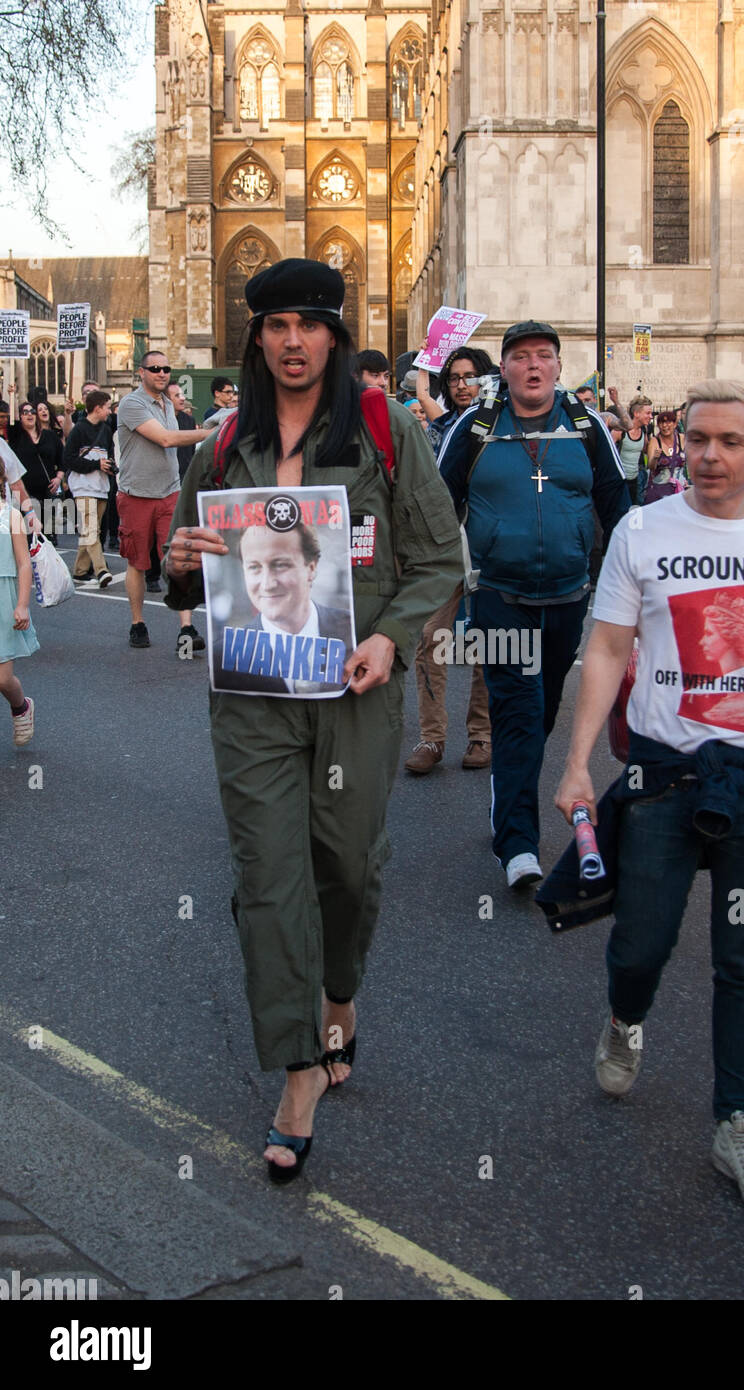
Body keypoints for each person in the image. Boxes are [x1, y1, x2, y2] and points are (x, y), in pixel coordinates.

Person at [163, 258, 464, 1181]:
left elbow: (438, 560)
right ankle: (297, 1072)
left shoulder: (384, 430)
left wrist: (391, 641)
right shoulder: (221, 446)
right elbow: (184, 571)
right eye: (276, 325)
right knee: (268, 870)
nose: (292, 340)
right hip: (252, 696)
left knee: (345, 864)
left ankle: (340, 992)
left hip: (352, 697)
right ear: (256, 338)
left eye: (310, 324)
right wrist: (180, 560)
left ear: (334, 336)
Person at [549, 378, 744, 1217]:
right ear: (680, 443)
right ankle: (624, 1018)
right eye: (697, 439)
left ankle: (736, 1125)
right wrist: (574, 768)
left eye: (730, 442)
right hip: (663, 776)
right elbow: (604, 650)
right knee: (640, 943)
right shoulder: (642, 528)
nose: (710, 455)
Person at [438, 319, 628, 887]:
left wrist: (638, 584)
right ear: (507, 368)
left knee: (542, 711)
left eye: (543, 356)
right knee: (518, 710)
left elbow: (619, 502)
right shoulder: (476, 427)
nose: (533, 365)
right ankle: (519, 846)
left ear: (558, 367)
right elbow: (437, 502)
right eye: (521, 357)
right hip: (499, 595)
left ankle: (507, 802)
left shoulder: (586, 426)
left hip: (568, 595)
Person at [405, 344, 495, 775]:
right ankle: (432, 738)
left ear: (486, 379)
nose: (462, 385)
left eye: (469, 376)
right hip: (442, 549)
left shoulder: (502, 423)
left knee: (486, 642)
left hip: (489, 550)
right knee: (430, 638)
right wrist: (429, 355)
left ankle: (481, 735)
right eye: (454, 378)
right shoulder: (442, 427)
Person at [116, 352, 216, 651]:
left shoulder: (166, 404)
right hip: (137, 494)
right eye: (155, 368)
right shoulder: (131, 404)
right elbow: (166, 439)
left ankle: (186, 628)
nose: (161, 373)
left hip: (169, 492)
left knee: (179, 559)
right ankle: (138, 624)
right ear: (141, 372)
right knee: (137, 562)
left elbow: (174, 436)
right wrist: (213, 433)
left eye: (166, 369)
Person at [212, 519, 355, 695]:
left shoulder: (353, 632)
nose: (267, 584)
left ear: (311, 568)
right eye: (254, 567)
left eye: (280, 565)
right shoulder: (224, 656)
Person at [0, 448, 39, 746]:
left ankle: (20, 706)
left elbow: (24, 563)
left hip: (4, 602)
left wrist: (23, 604)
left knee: (2, 679)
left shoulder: (10, 515)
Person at [63, 389, 115, 588]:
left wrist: (110, 466)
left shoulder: (106, 429)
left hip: (101, 486)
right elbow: (68, 460)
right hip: (83, 486)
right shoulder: (78, 430)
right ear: (97, 408)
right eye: (108, 407)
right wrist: (96, 465)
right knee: (91, 529)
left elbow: (108, 455)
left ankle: (80, 571)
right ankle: (101, 569)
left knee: (91, 529)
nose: (110, 411)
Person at [10, 401, 65, 545]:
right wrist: (12, 396)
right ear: (20, 417)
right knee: (29, 535)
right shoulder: (17, 437)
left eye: (33, 412)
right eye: (25, 412)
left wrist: (59, 477)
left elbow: (63, 458)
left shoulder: (49, 436)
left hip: (48, 491)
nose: (30, 415)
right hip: (25, 493)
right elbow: (11, 421)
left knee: (48, 537)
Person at [642, 408, 687, 502]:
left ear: (675, 424)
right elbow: (651, 466)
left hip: (679, 490)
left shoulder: (682, 438)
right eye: (662, 423)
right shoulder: (655, 442)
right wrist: (655, 458)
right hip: (659, 491)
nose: (665, 426)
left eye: (668, 422)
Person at [618, 396, 652, 505]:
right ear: (637, 413)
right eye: (648, 413)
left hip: (635, 479)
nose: (651, 416)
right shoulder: (621, 430)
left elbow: (646, 450)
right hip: (620, 481)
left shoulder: (643, 430)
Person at [165, 381, 199, 481]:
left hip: (185, 476)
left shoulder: (189, 420)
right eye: (177, 395)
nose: (183, 398)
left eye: (182, 395)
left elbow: (191, 450)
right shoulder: (157, 421)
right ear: (166, 399)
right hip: (165, 478)